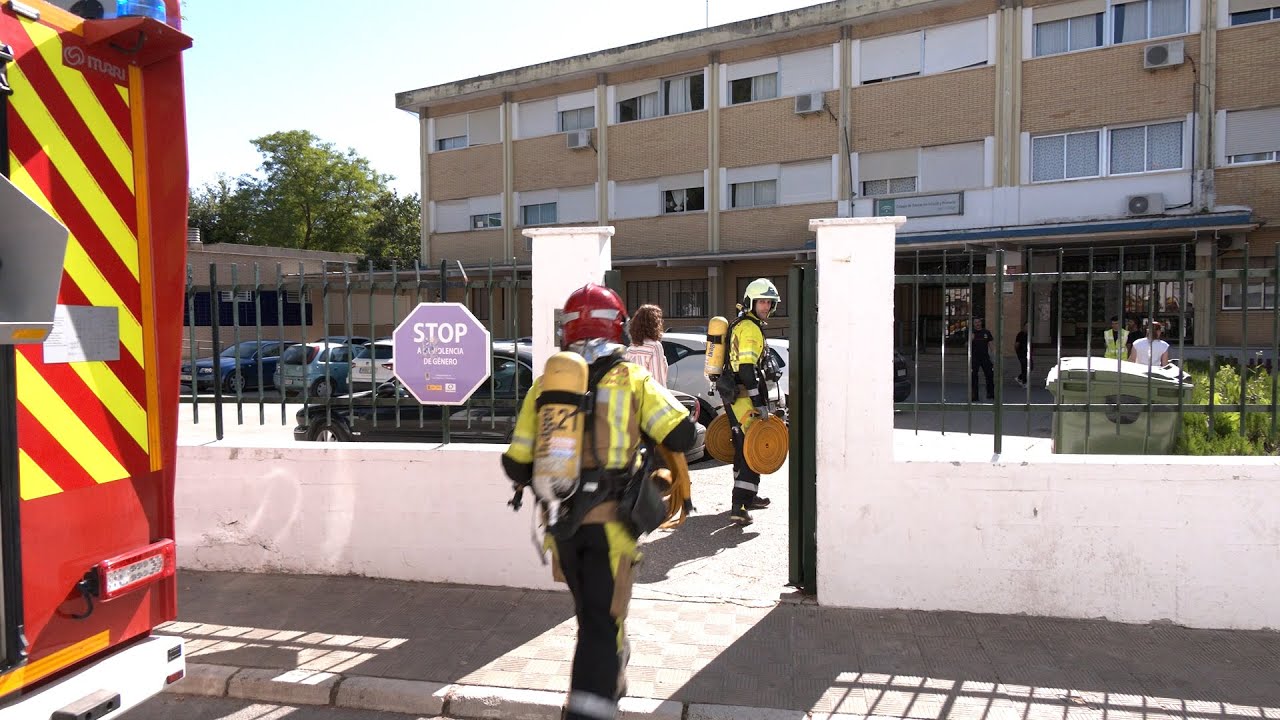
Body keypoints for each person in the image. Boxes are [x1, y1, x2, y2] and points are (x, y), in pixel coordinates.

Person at [502, 283, 696, 720]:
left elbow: (515, 464)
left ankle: (613, 676)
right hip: (611, 530)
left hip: (563, 530)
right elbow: (683, 433)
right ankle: (592, 706)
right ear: (618, 328)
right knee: (601, 627)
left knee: (592, 618)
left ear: (568, 331)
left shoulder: (546, 390)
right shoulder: (630, 377)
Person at [723, 278, 781, 526]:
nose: (766, 306)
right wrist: (759, 403)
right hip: (744, 398)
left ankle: (750, 496)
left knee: (744, 448)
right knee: (751, 449)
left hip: (736, 396)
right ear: (750, 302)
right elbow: (747, 370)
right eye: (762, 302)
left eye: (769, 302)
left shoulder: (743, 324)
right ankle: (740, 505)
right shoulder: (749, 328)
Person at [623, 304, 668, 387]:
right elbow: (658, 381)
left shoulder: (631, 349)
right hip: (648, 396)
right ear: (654, 324)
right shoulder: (654, 346)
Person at [969, 317, 995, 401]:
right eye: (975, 322)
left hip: (985, 357)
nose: (977, 323)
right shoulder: (970, 332)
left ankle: (990, 393)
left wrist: (994, 356)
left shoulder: (986, 332)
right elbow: (966, 345)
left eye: (978, 322)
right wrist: (970, 339)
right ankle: (974, 396)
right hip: (974, 358)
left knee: (989, 375)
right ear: (973, 324)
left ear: (981, 322)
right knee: (973, 376)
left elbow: (991, 345)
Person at [1015, 321, 1030, 387]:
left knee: (1030, 367)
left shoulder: (1029, 334)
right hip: (1021, 353)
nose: (1028, 328)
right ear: (1024, 327)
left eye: (1029, 326)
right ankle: (1024, 382)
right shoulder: (1020, 334)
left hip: (1028, 353)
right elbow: (1016, 344)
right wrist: (1018, 352)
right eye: (1026, 326)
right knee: (1024, 367)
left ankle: (1019, 378)